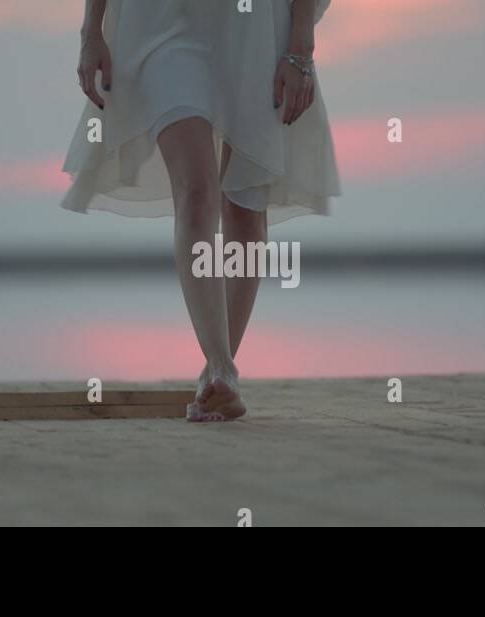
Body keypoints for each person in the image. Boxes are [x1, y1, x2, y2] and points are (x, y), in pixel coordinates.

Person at [62, 0, 340, 422]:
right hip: (161, 22)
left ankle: (218, 374)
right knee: (196, 189)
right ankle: (221, 363)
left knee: (245, 204)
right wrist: (91, 31)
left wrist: (300, 46)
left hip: (256, 27)